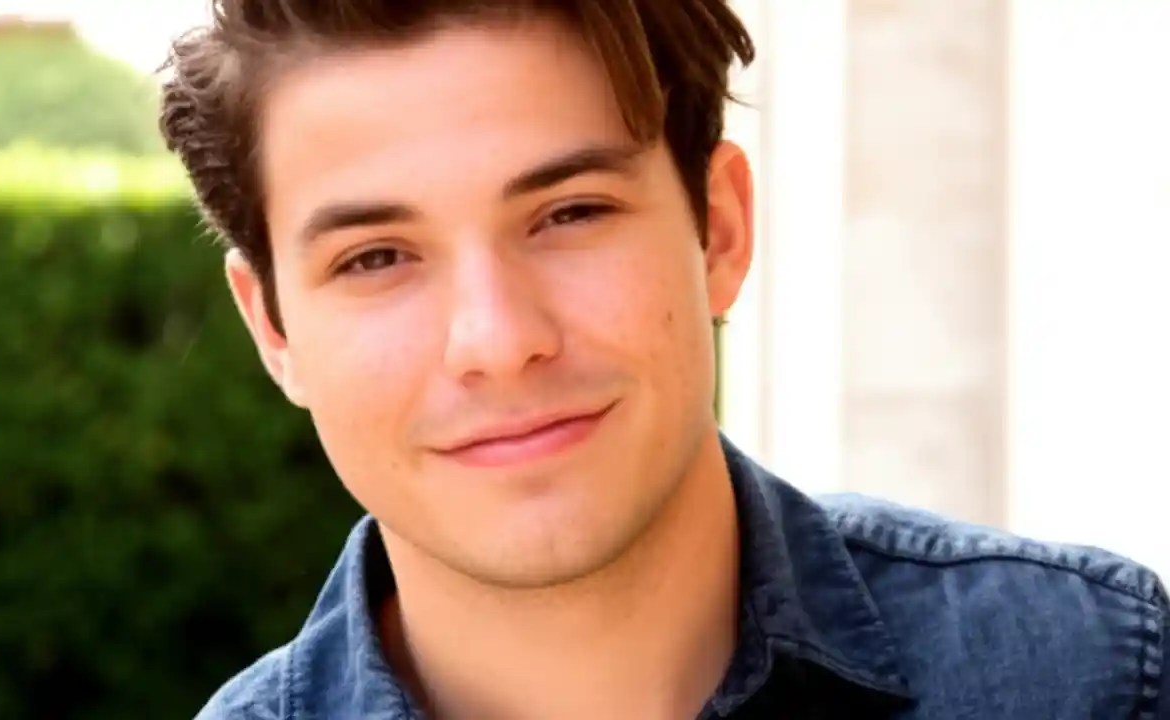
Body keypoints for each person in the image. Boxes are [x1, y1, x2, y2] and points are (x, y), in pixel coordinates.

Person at [158, 1, 1169, 718]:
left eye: (568, 214)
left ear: (718, 230)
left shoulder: (1093, 674)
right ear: (274, 330)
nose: (498, 340)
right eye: (376, 257)